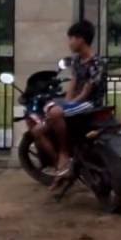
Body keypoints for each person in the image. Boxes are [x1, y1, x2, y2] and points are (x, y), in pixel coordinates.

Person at [35, 20, 106, 189]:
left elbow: (87, 91)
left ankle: (64, 152)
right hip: (75, 103)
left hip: (90, 104)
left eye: (71, 38)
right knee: (37, 130)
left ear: (81, 39)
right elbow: (73, 83)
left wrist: (68, 105)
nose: (69, 42)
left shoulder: (97, 62)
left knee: (54, 112)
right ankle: (62, 168)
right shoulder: (76, 61)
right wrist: (66, 101)